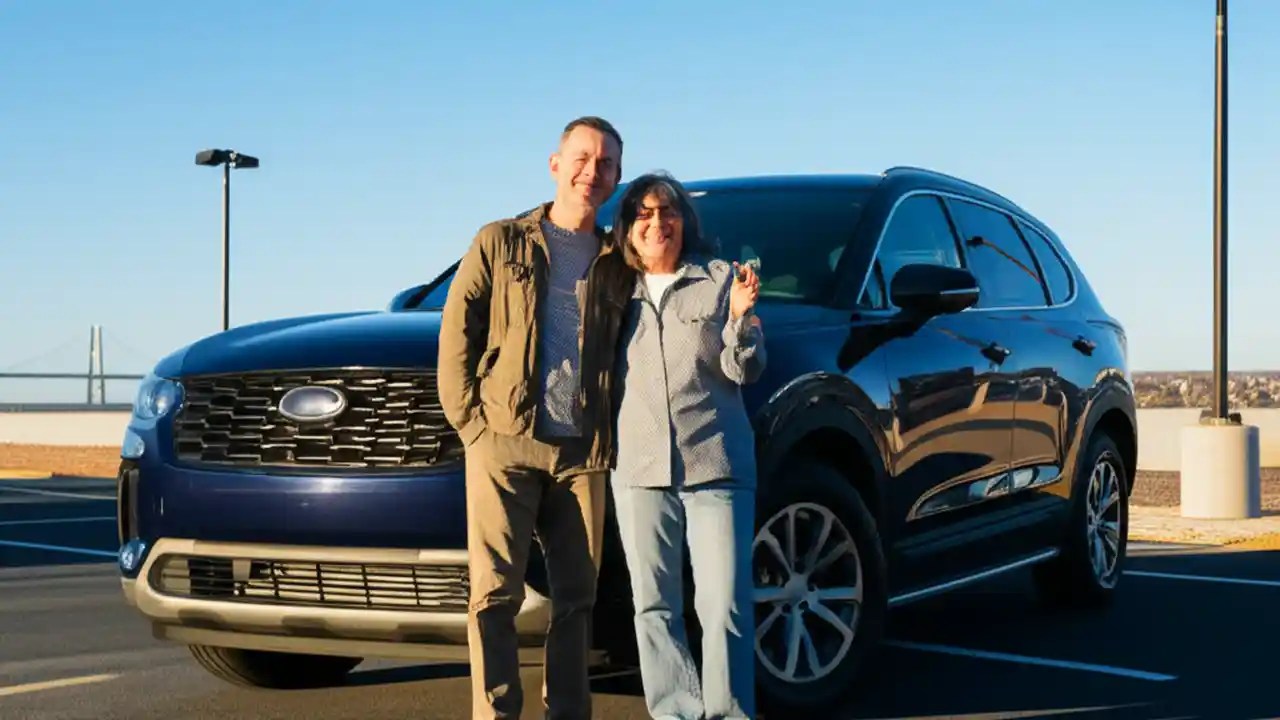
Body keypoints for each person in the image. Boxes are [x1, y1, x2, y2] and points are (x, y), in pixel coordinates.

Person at [437, 116, 635, 720]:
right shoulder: (501, 241)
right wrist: (473, 426)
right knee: (493, 596)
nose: (591, 171)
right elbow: (455, 334)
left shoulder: (617, 260)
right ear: (555, 164)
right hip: (505, 442)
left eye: (604, 163)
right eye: (581, 157)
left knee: (577, 599)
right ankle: (495, 713)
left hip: (583, 453)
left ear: (616, 178)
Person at [609, 172, 766, 720]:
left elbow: (743, 370)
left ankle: (729, 714)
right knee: (653, 607)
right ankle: (675, 712)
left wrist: (742, 321)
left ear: (684, 222)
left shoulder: (720, 281)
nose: (658, 223)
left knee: (722, 605)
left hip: (714, 464)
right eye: (645, 214)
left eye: (668, 211)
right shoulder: (612, 292)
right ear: (627, 227)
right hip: (638, 470)